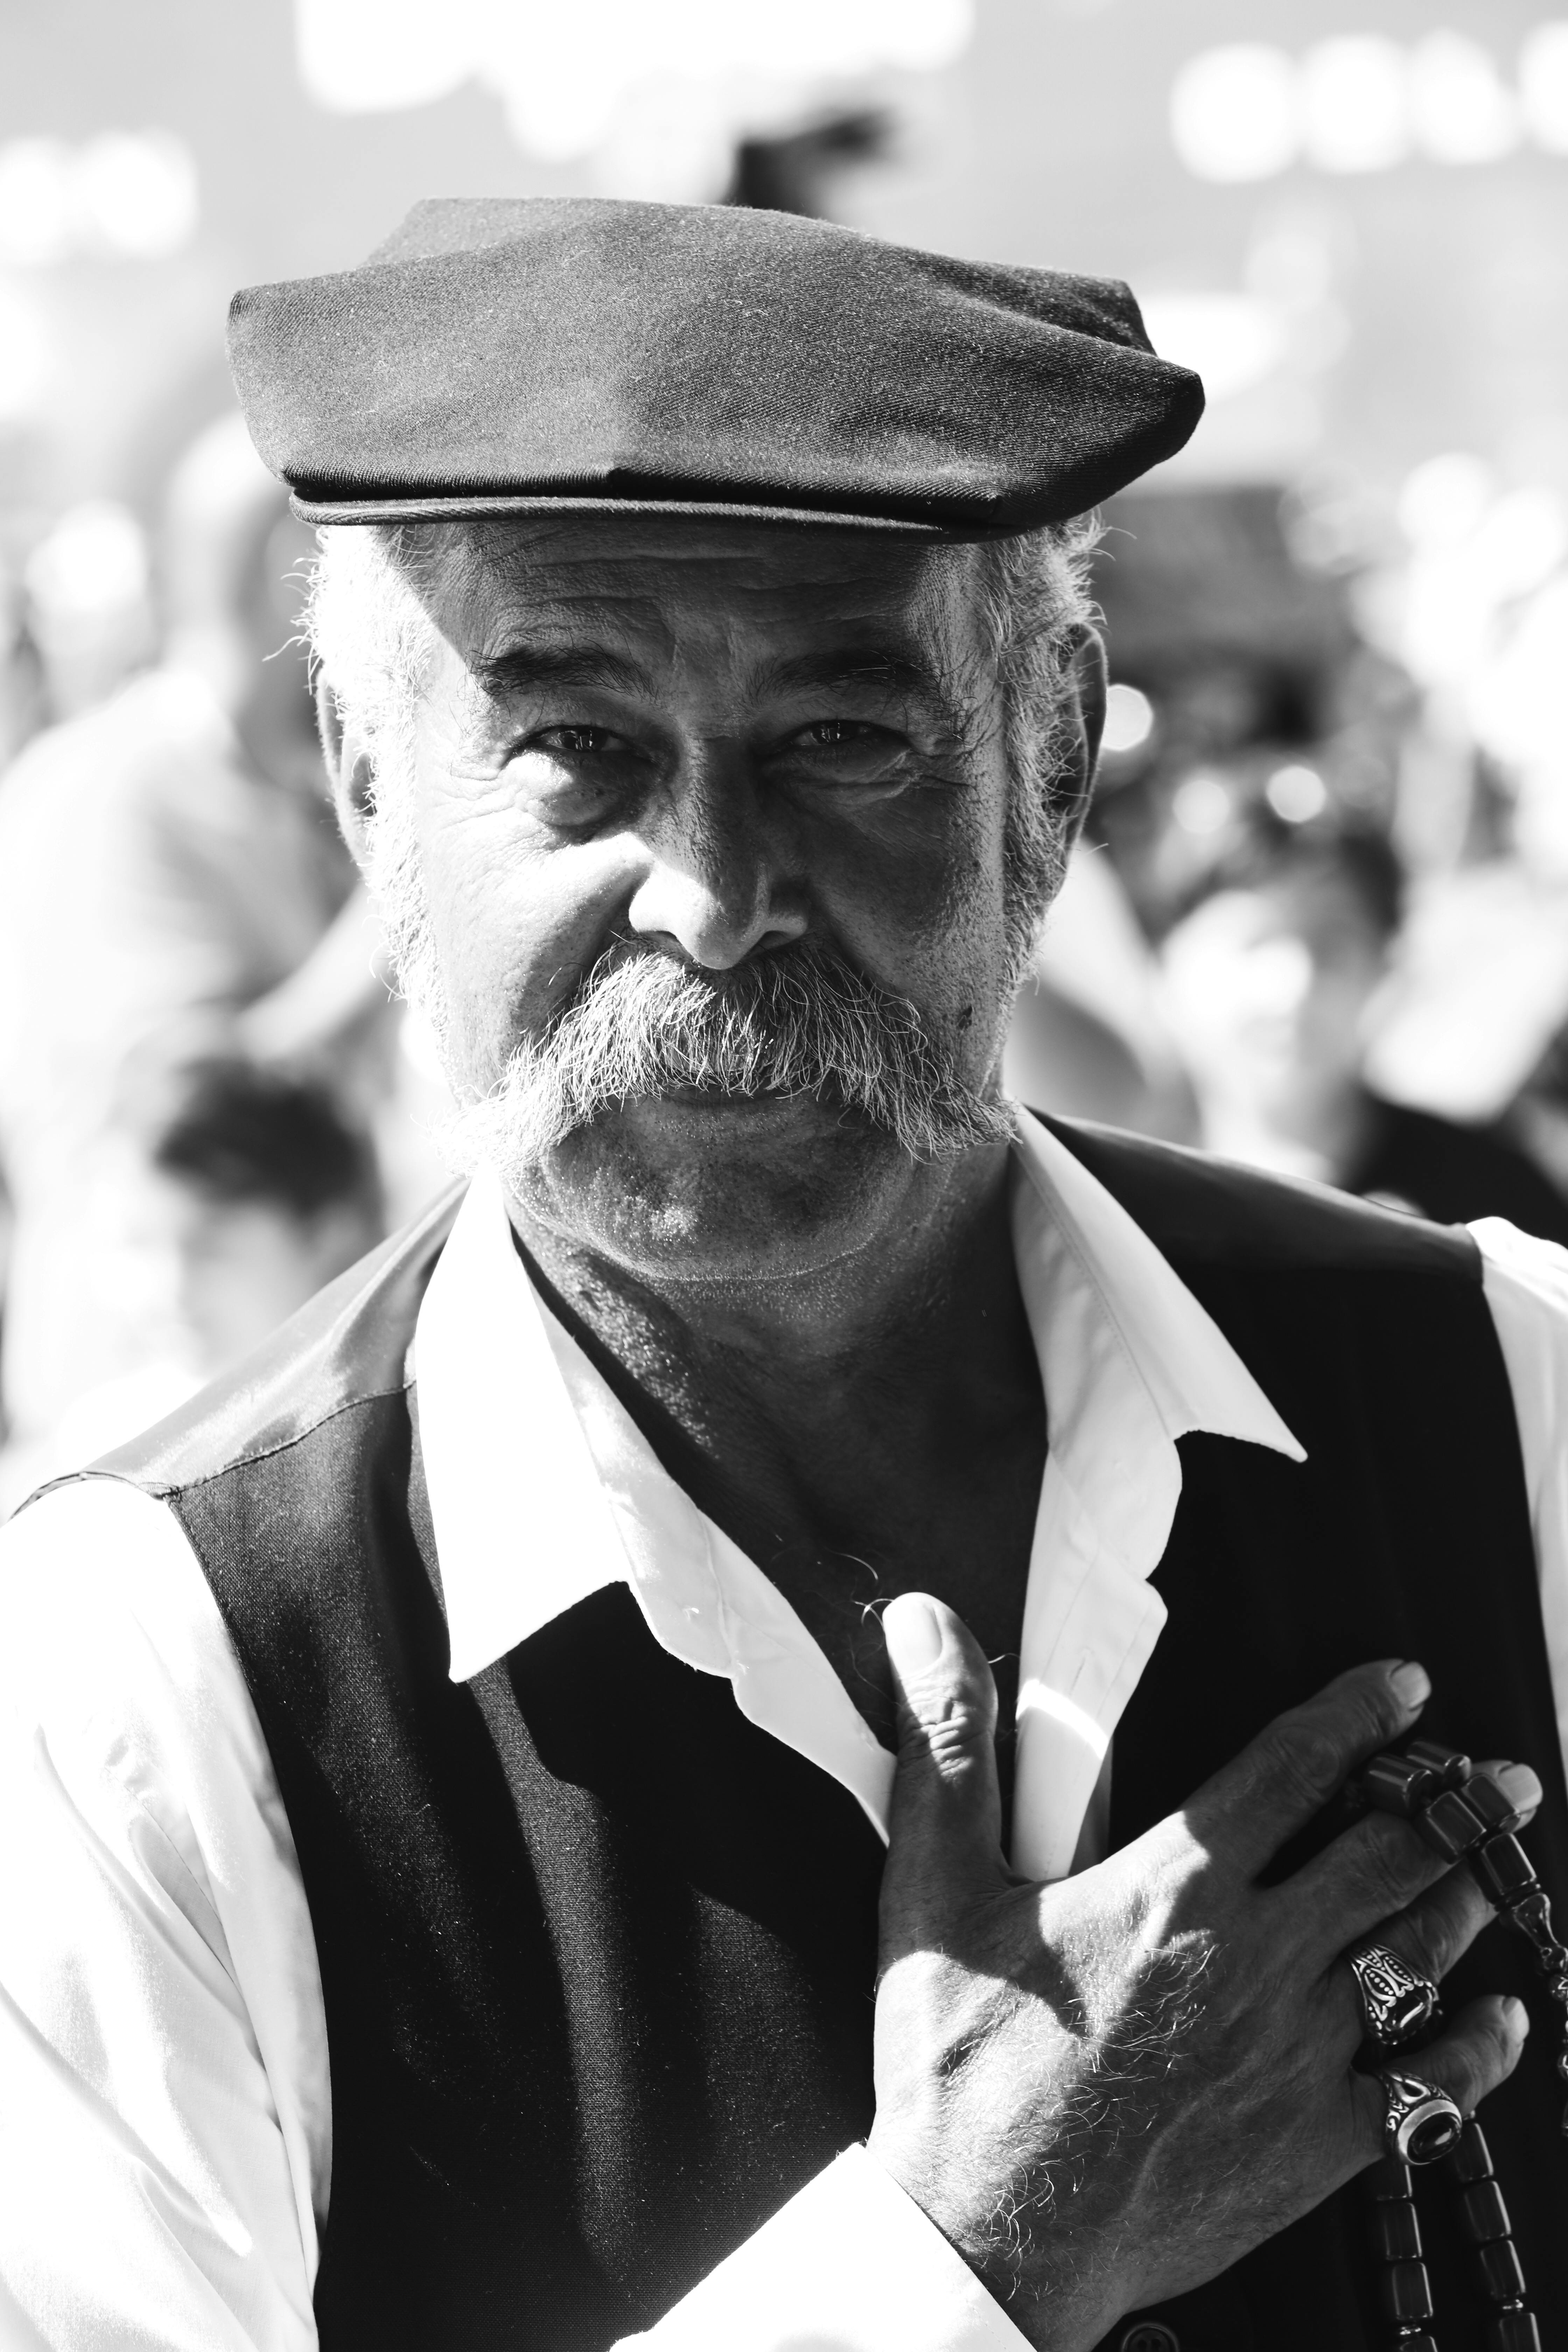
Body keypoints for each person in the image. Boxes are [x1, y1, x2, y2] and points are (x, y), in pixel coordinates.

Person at [2, 198, 1567, 2352]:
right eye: (579, 745)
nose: (715, 898)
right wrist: (973, 2260)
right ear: (371, 793)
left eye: (842, 738)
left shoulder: (1504, 1395)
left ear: (1044, 769)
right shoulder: (136, 1695)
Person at [1158, 808, 1568, 1241]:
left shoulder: (1490, 1210)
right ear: (1162, 959)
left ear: (1385, 971)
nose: (1294, 987)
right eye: (1254, 940)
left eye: (1331, 945)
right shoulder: (1116, 1205)